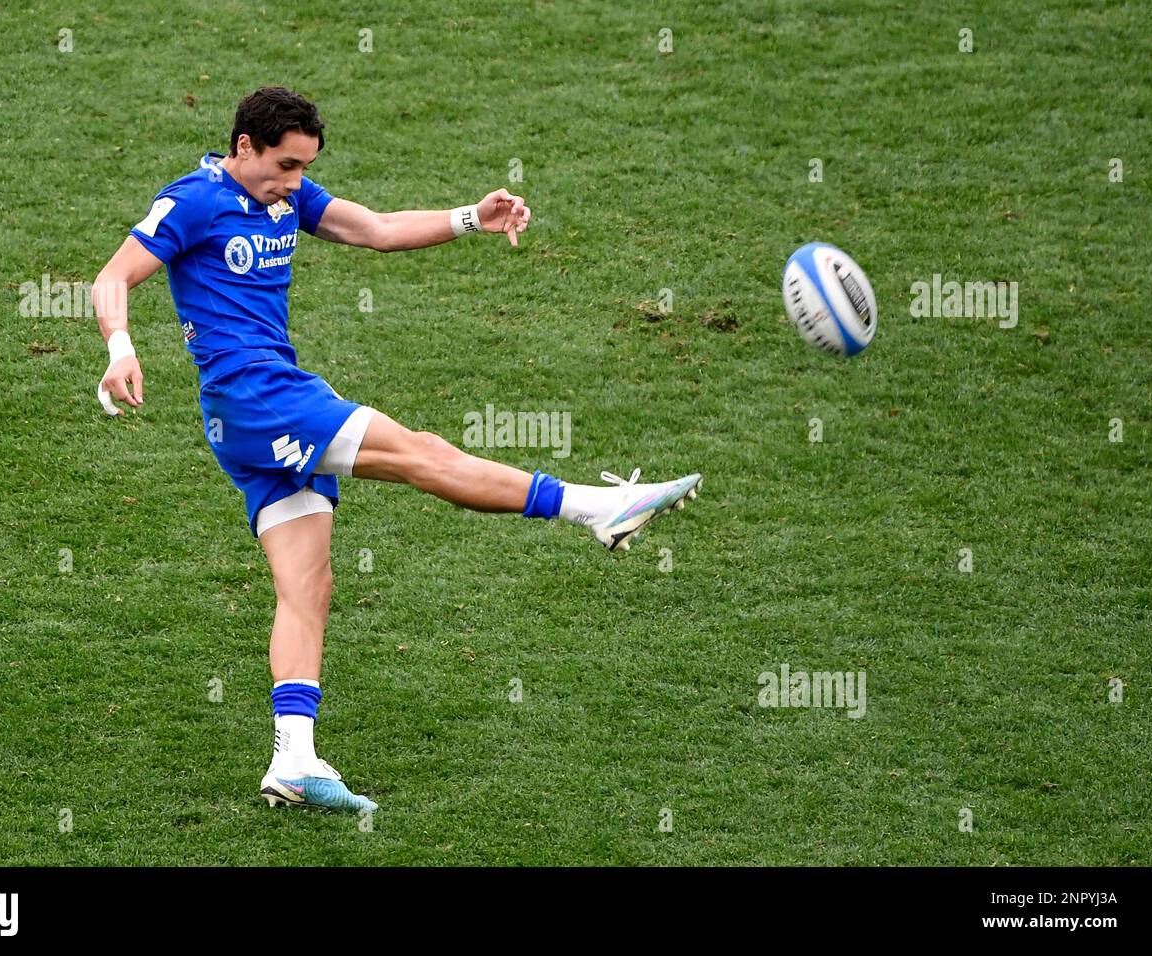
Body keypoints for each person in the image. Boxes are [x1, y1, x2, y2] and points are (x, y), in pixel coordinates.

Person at [92, 87, 701, 813]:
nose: (295, 181)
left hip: (251, 415)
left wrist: (473, 218)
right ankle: (596, 508)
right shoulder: (194, 199)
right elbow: (112, 275)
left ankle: (294, 759)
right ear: (244, 146)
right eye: (286, 165)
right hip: (260, 399)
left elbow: (375, 229)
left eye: (305, 168)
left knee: (307, 585)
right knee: (421, 453)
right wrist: (120, 348)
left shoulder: (286, 193)